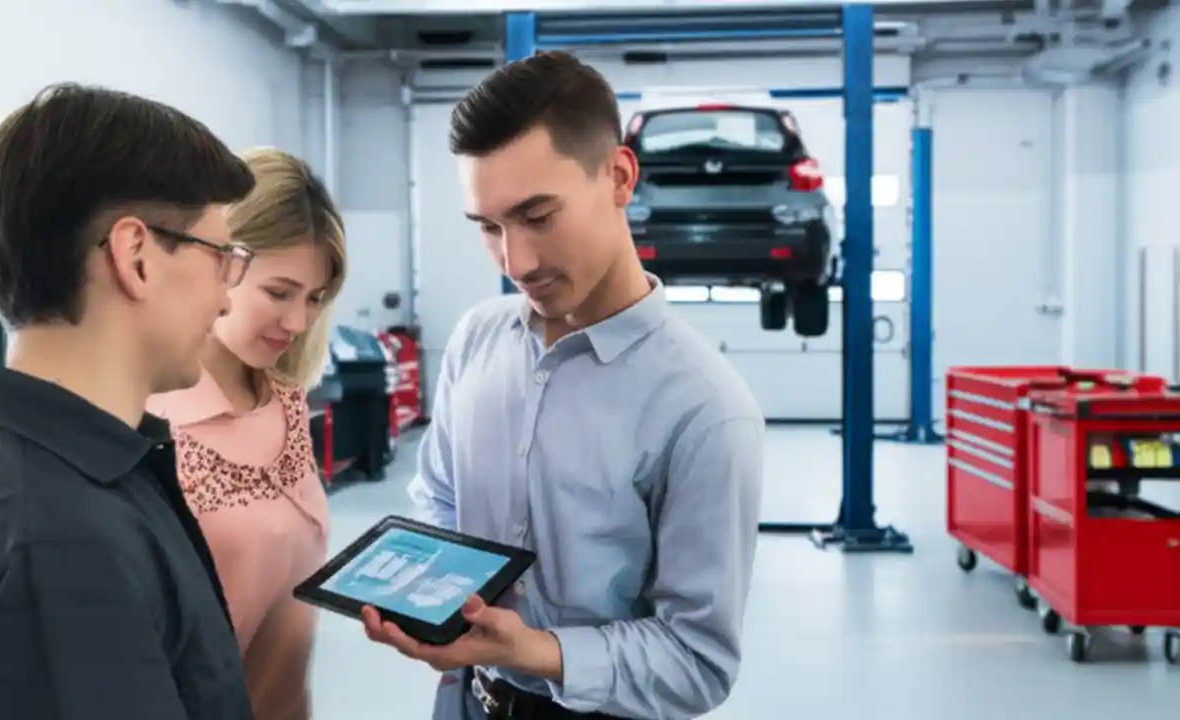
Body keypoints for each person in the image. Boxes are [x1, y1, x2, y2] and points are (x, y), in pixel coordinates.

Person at [361, 51, 765, 720]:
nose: (515, 261)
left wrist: (536, 651)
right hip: (464, 700)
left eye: (539, 217)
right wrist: (429, 597)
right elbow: (437, 498)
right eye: (489, 228)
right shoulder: (475, 341)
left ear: (619, 177)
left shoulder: (705, 410)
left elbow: (698, 663)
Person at [0, 84, 259, 719]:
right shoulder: (52, 546)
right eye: (222, 259)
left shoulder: (38, 473)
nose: (228, 299)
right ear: (136, 257)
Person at [147, 147, 346, 720]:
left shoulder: (288, 406)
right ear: (221, 264)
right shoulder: (151, 419)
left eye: (314, 298)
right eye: (279, 293)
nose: (299, 322)